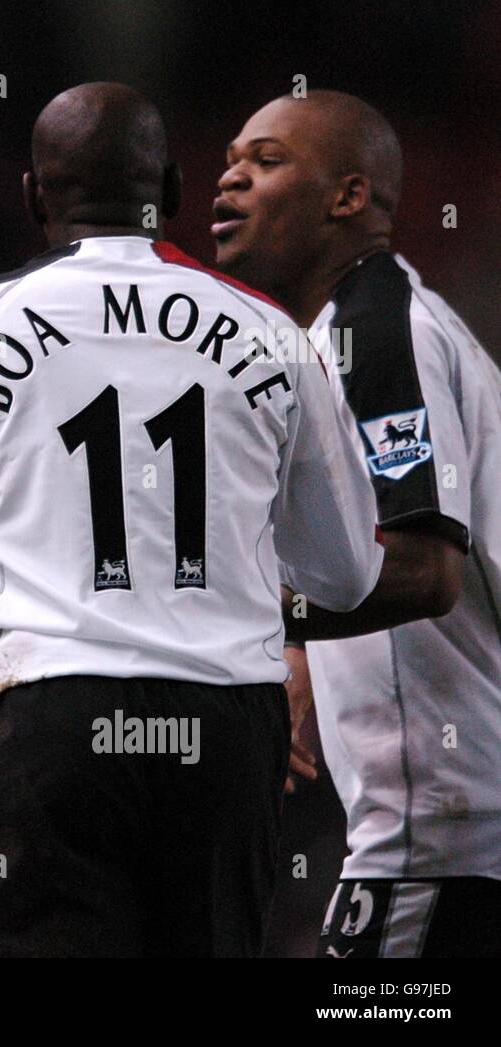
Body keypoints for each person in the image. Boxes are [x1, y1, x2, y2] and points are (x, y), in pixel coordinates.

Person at [0, 83, 384, 957]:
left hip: (46, 719)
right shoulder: (276, 334)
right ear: (175, 190)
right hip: (224, 727)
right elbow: (346, 575)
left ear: (34, 194)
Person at [216, 90, 501, 957]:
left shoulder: (381, 332)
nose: (230, 177)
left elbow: (424, 571)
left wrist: (243, 623)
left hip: (440, 833)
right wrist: (304, 646)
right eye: (231, 158)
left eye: (266, 161)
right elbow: (373, 552)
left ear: (347, 198)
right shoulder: (351, 333)